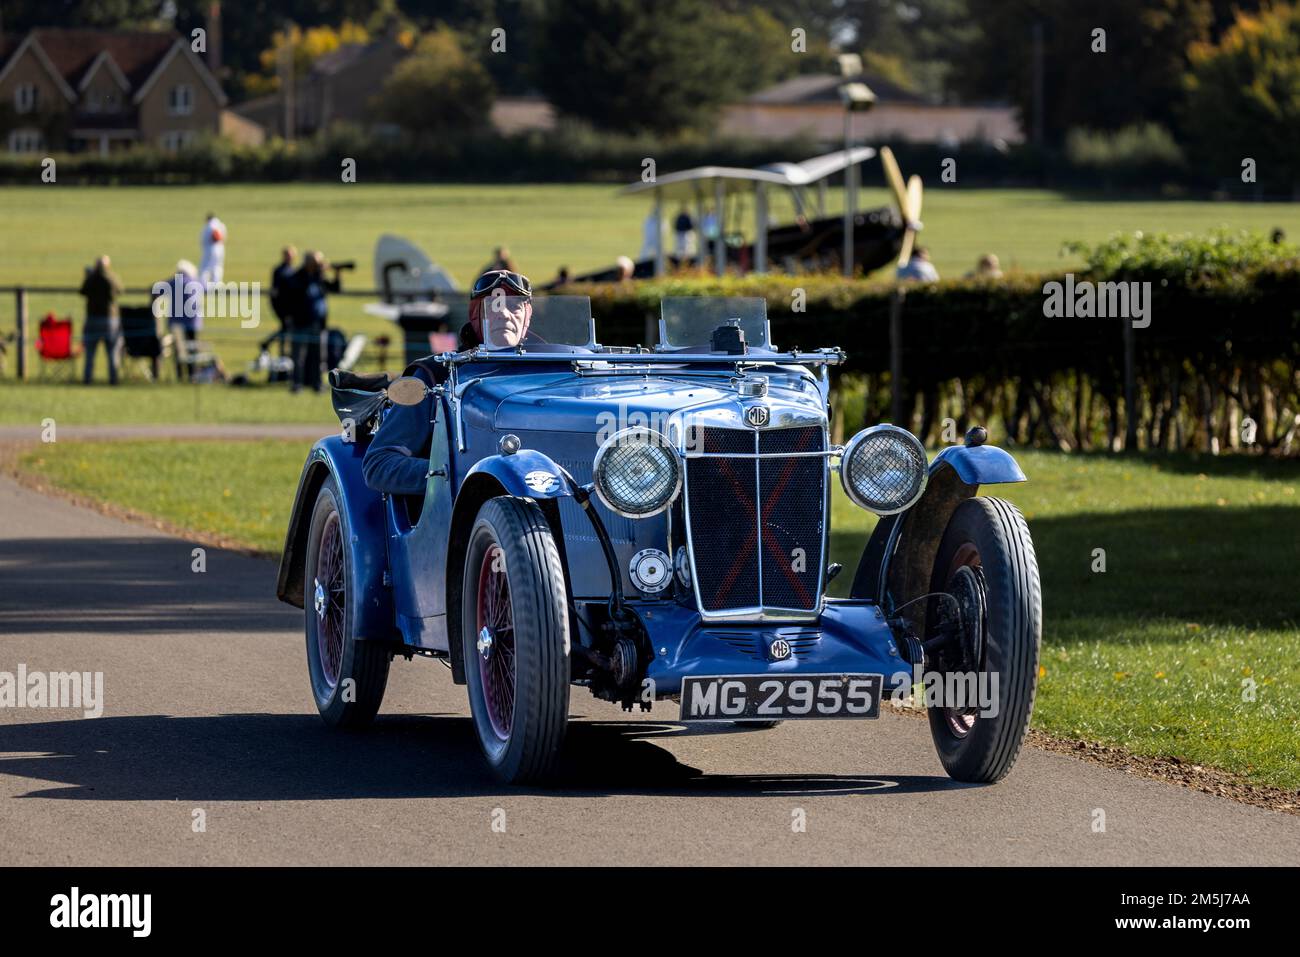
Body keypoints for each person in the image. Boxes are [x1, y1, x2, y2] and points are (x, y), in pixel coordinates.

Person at [363, 270, 532, 496]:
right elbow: (378, 464)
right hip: (454, 515)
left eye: (515, 306)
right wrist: (452, 474)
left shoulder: (556, 373)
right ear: (474, 315)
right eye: (493, 306)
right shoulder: (434, 375)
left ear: (527, 316)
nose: (504, 314)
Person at [287, 251, 339, 393]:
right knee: (298, 356)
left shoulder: (319, 277)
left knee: (318, 356)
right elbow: (298, 292)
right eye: (316, 263)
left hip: (318, 323)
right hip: (300, 323)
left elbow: (335, 288)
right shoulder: (298, 277)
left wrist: (337, 273)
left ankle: (317, 384)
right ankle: (297, 384)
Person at [79, 255, 123, 384]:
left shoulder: (91, 278)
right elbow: (120, 290)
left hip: (92, 318)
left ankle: (87, 379)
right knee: (112, 352)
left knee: (90, 353)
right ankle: (113, 379)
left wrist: (88, 277)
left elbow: (82, 291)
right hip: (109, 320)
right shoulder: (111, 277)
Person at [157, 259, 204, 380]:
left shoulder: (174, 282)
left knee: (178, 349)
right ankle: (192, 374)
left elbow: (158, 290)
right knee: (192, 347)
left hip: (176, 323)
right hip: (193, 322)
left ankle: (180, 375)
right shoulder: (195, 282)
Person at [269, 245, 298, 358]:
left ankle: (280, 350)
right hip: (281, 306)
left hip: (290, 307)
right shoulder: (279, 271)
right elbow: (275, 290)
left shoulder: (292, 270)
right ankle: (282, 353)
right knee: (285, 328)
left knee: (285, 329)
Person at [199, 212, 227, 286]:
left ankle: (203, 285)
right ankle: (217, 284)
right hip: (220, 248)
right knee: (217, 266)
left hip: (211, 248)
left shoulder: (211, 225)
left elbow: (216, 235)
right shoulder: (221, 225)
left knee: (205, 267)